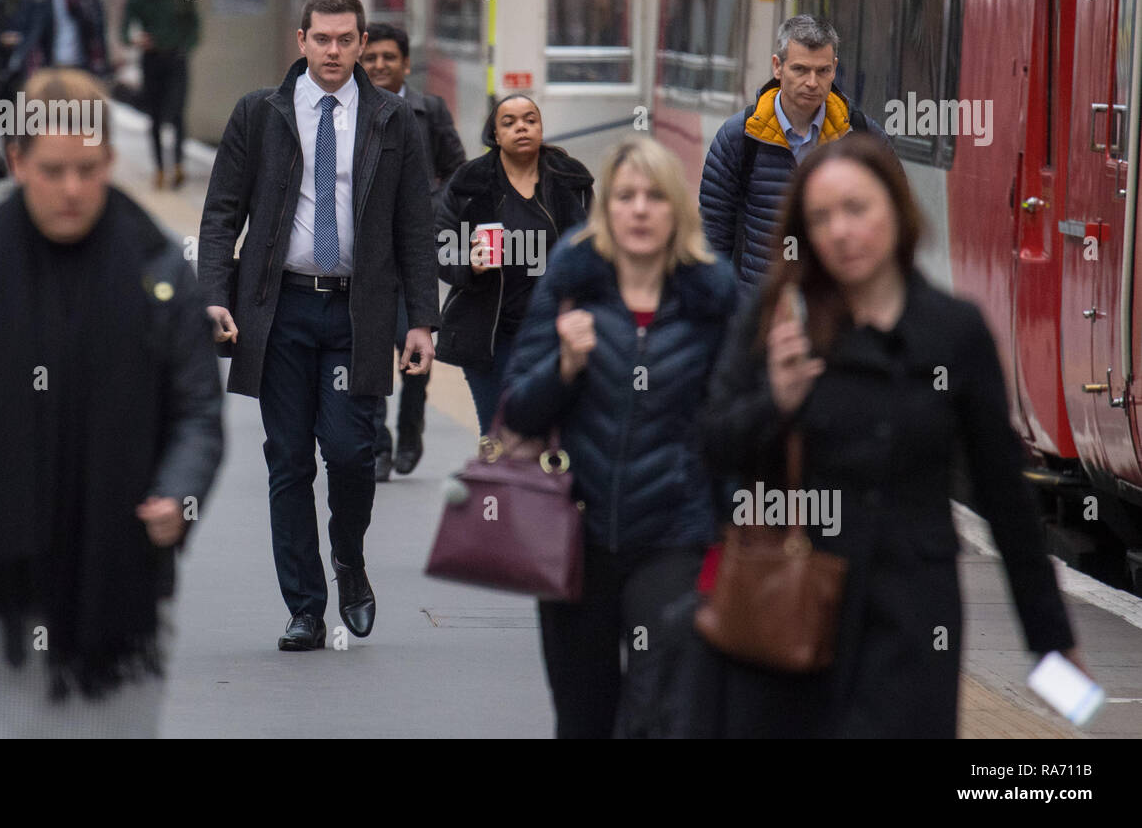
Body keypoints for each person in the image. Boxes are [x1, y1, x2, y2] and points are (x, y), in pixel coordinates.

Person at [0, 68, 223, 738]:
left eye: (88, 169)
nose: (72, 189)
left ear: (112, 159)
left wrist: (178, 492)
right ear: (17, 159)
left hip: (118, 579)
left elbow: (197, 409)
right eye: (53, 169)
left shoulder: (158, 270)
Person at [682, 133, 1083, 738]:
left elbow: (1006, 496)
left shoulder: (954, 332)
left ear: (896, 209)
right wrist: (777, 403)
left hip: (911, 618)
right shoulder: (779, 319)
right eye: (821, 217)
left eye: (856, 208)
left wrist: (1050, 642)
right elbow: (711, 448)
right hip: (792, 607)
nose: (841, 231)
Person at [197, 0, 439, 651]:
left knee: (351, 452)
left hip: (358, 312)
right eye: (322, 38)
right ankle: (304, 606)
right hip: (280, 311)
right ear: (301, 40)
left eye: (345, 39)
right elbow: (221, 215)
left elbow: (416, 227)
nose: (333, 51)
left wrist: (422, 320)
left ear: (363, 44)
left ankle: (350, 561)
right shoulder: (259, 114)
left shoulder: (392, 119)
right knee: (289, 460)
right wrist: (214, 296)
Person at [499, 136, 737, 738]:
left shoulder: (713, 299)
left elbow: (742, 425)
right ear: (607, 210)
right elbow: (519, 412)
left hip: (675, 538)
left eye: (655, 196)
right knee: (584, 717)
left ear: (676, 211)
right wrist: (565, 367)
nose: (638, 209)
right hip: (575, 539)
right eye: (625, 196)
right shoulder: (571, 283)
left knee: (661, 712)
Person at [434, 94, 593, 435]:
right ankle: (497, 489)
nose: (521, 127)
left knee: (555, 431)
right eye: (509, 122)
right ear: (494, 134)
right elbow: (438, 246)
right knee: (498, 430)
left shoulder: (572, 179)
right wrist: (468, 263)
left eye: (530, 120)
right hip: (489, 334)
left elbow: (599, 243)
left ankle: (545, 489)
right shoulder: (469, 183)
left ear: (540, 127)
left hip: (555, 329)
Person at [698, 14, 893, 290]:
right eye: (800, 69)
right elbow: (713, 236)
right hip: (760, 312)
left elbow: (892, 223)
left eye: (822, 71)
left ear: (834, 69)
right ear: (778, 67)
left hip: (837, 315)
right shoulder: (740, 138)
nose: (812, 82)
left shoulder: (862, 137)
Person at [360, 21, 466, 480]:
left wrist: (427, 209)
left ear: (405, 63)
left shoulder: (430, 109)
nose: (380, 65)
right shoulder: (349, 109)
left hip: (413, 256)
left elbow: (458, 173)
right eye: (371, 58)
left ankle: (412, 422)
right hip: (363, 255)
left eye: (389, 57)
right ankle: (378, 446)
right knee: (366, 353)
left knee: (413, 343)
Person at [121, 0, 201, 191]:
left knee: (176, 111)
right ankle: (159, 167)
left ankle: (177, 164)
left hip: (176, 59)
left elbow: (195, 23)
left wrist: (185, 45)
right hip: (151, 59)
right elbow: (124, 29)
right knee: (154, 116)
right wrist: (135, 39)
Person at [8, 0, 109, 85]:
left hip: (79, 68)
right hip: (47, 68)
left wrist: (102, 68)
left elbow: (98, 37)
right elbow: (25, 30)